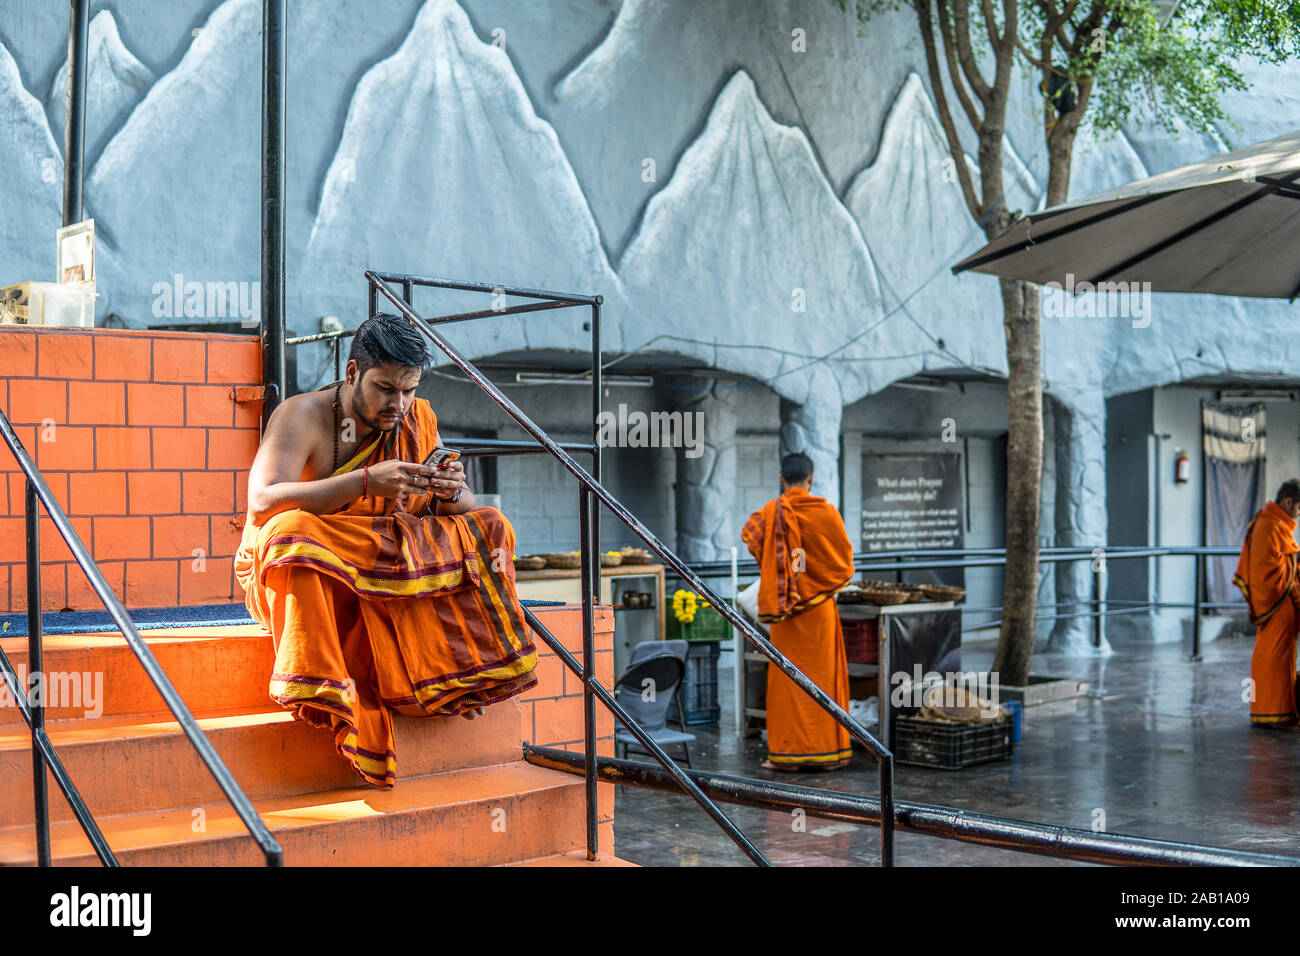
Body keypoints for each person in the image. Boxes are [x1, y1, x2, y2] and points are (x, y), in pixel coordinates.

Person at [234, 314, 538, 786]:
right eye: (385, 389)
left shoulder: (418, 418)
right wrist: (365, 482)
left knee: (490, 525)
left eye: (408, 390)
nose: (399, 404)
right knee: (290, 529)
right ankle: (321, 686)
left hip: (383, 554)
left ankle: (457, 671)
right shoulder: (301, 414)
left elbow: (464, 507)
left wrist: (450, 490)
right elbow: (261, 501)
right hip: (316, 560)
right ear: (353, 372)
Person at [741, 452, 855, 771]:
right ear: (811, 479)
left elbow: (751, 539)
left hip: (785, 612)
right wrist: (807, 578)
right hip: (819, 612)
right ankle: (830, 754)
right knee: (823, 681)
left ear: (781, 479)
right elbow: (844, 564)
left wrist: (784, 573)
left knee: (788, 683)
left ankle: (785, 756)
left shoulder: (769, 513)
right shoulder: (827, 513)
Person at [1234, 479, 1300, 727]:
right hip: (1277, 604)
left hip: (1283, 605)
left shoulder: (1276, 524)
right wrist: (1295, 562)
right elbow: (1266, 572)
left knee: (1281, 660)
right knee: (1274, 659)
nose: (1298, 514)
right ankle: (1272, 712)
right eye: (1298, 508)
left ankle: (1279, 710)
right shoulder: (1268, 526)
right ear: (1287, 502)